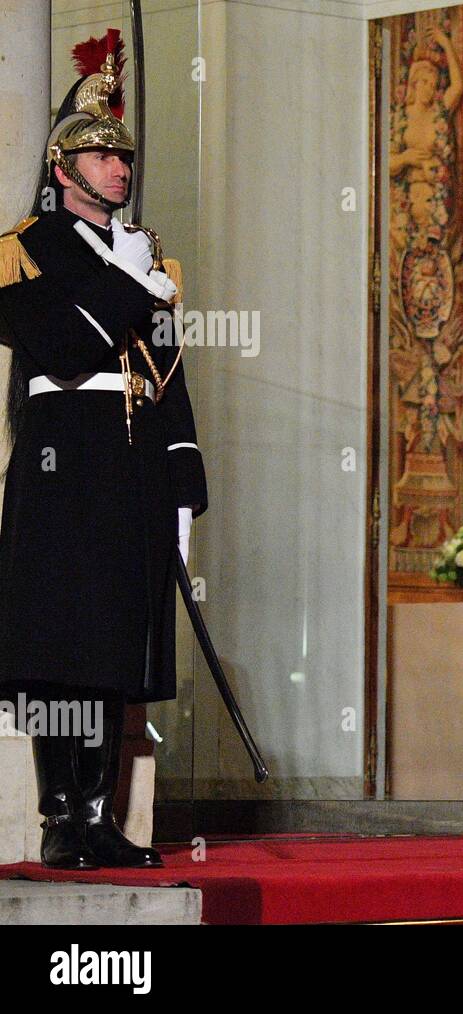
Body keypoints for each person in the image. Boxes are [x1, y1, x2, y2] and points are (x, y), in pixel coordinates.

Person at [0, 37, 206, 869]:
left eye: (122, 156)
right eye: (99, 154)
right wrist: (132, 283)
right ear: (62, 166)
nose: (119, 169)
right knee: (62, 649)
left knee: (116, 645)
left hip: (133, 469)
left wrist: (186, 476)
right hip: (63, 469)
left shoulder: (146, 255)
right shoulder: (24, 250)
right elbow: (62, 346)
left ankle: (99, 814)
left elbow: (170, 373)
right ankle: (60, 820)